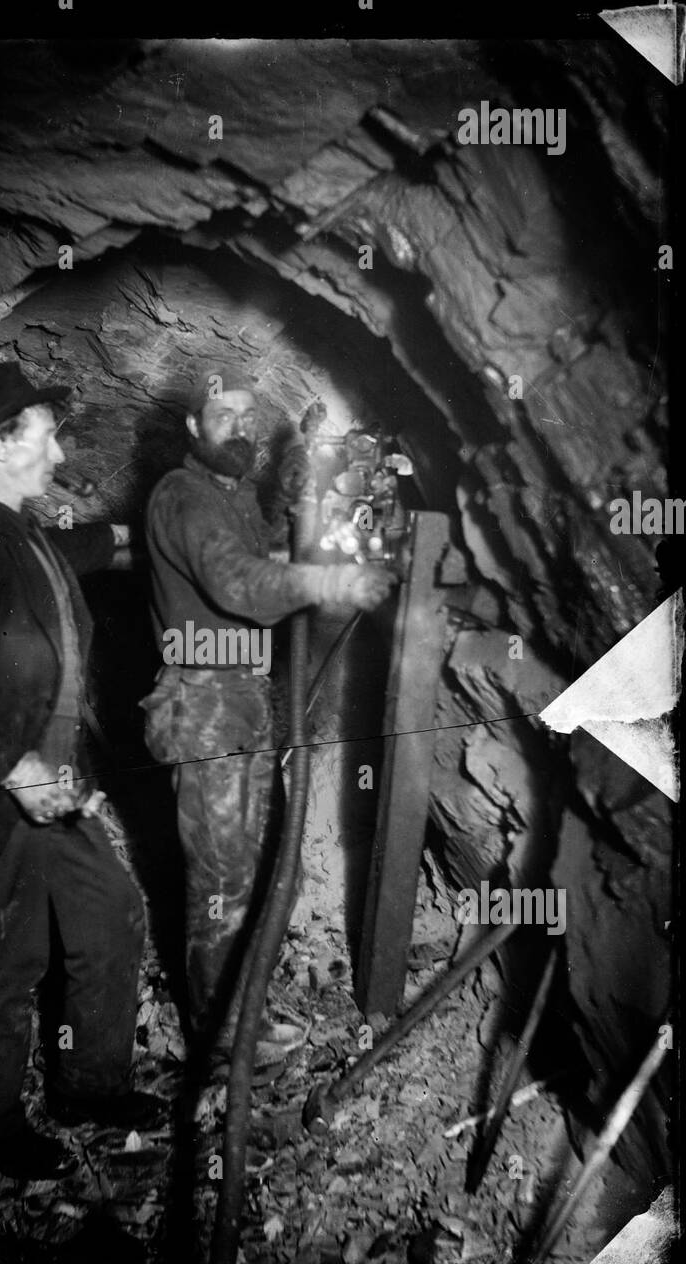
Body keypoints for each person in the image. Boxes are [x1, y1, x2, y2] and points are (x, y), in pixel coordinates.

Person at [0, 362, 165, 1180]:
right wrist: (13, 768)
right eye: (44, 435)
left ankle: (90, 1086)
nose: (60, 450)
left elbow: (71, 554)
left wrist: (140, 542)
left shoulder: (19, 530)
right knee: (1, 964)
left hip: (52, 785)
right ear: (2, 443)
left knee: (111, 910)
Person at [141, 364, 396, 1068]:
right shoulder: (183, 495)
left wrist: (301, 463)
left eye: (250, 417)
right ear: (192, 426)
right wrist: (331, 579)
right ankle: (219, 1036)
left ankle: (236, 1011)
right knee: (220, 873)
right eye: (225, 415)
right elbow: (242, 582)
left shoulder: (229, 499)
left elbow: (269, 539)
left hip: (241, 697)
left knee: (246, 865)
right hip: (203, 700)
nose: (241, 427)